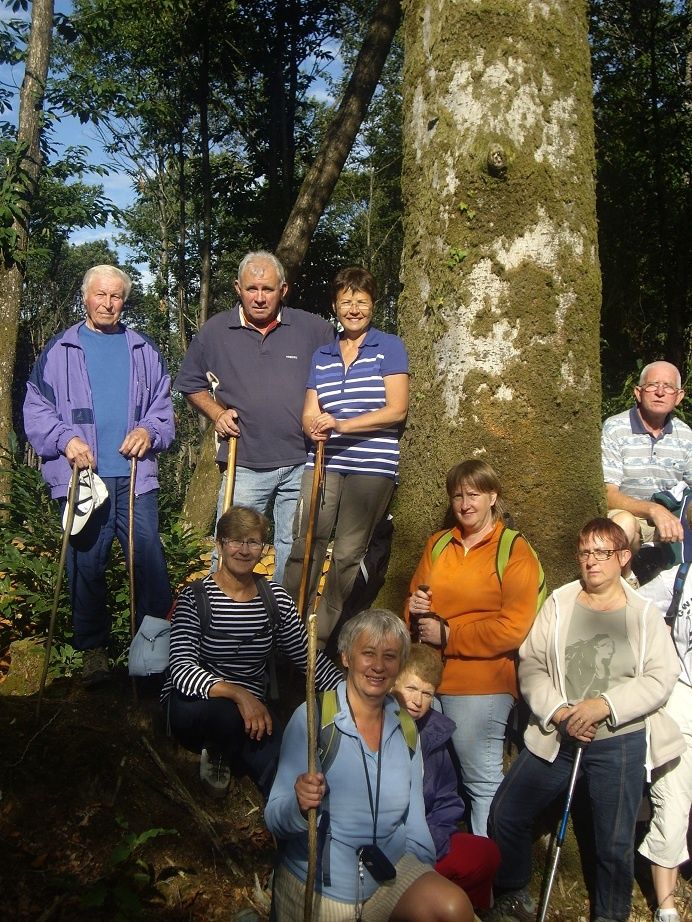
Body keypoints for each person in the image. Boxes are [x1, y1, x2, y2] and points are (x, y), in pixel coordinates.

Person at [486, 518, 683, 922]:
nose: (591, 561)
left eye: (602, 553)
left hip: (620, 741)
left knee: (613, 844)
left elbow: (660, 677)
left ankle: (610, 915)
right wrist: (559, 710)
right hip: (558, 735)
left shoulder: (643, 613)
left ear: (623, 557)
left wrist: (604, 705)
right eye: (585, 553)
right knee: (506, 812)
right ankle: (514, 892)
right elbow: (532, 663)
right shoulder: (560, 602)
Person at [265, 608, 475, 922]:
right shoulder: (315, 719)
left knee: (452, 908)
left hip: (388, 876)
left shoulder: (405, 727)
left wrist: (421, 870)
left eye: (389, 656)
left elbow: (415, 820)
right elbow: (274, 819)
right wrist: (299, 805)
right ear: (346, 657)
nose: (378, 666)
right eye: (368, 653)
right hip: (324, 889)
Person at [23, 264, 174, 687]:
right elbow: (36, 408)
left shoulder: (142, 349)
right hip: (83, 478)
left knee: (148, 564)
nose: (108, 303)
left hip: (135, 478)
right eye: (100, 295)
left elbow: (163, 409)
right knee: (86, 565)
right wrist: (65, 439)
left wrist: (149, 431)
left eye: (116, 296)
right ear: (85, 297)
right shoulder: (61, 350)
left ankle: (151, 655)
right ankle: (94, 655)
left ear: (125, 301)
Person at [174, 251, 334, 583]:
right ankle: (224, 612)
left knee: (294, 550)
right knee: (234, 546)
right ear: (238, 288)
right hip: (244, 461)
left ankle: (282, 613)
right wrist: (217, 413)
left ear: (283, 290)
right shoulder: (215, 331)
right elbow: (189, 384)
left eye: (268, 289)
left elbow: (339, 375)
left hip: (302, 460)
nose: (259, 297)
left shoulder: (315, 329)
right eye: (251, 288)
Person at [162, 506, 343, 799]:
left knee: (287, 767)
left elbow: (306, 656)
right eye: (236, 540)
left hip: (253, 715)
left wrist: (350, 692)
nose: (244, 550)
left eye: (254, 542)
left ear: (263, 548)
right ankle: (218, 752)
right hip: (196, 705)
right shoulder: (195, 598)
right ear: (220, 545)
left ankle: (291, 814)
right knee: (226, 714)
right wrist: (239, 695)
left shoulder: (275, 599)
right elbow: (182, 670)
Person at [406, 460, 540, 836]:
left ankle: (488, 868)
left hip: (482, 684)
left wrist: (451, 636)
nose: (465, 504)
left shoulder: (513, 549)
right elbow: (414, 605)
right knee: (420, 775)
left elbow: (514, 627)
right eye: (458, 496)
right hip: (428, 681)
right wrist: (413, 608)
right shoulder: (439, 544)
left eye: (474, 494)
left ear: (492, 497)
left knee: (481, 783)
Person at [283, 266, 409, 646]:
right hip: (324, 461)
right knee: (305, 543)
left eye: (362, 301)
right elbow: (310, 410)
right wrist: (312, 426)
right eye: (346, 301)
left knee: (347, 555)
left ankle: (319, 639)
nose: (354, 309)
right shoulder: (322, 354)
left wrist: (342, 424)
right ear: (335, 307)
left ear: (373, 304)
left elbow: (397, 409)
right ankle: (288, 628)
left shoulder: (389, 346)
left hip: (372, 466)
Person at [392, 644, 501, 912]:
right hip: (386, 848)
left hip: (429, 843)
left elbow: (447, 800)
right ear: (393, 684)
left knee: (485, 853)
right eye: (411, 688)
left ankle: (471, 912)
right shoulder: (377, 725)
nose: (418, 700)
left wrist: (431, 841)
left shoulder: (435, 734)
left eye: (427, 693)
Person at [636, 505, 692, 922]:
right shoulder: (680, 578)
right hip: (682, 699)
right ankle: (666, 907)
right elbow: (628, 604)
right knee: (672, 799)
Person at [602, 361, 691, 562]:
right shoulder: (615, 429)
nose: (660, 392)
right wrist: (653, 510)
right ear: (638, 392)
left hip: (672, 522)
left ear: (678, 397)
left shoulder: (686, 435)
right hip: (628, 518)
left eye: (668, 386)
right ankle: (624, 579)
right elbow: (608, 495)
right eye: (652, 385)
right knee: (624, 523)